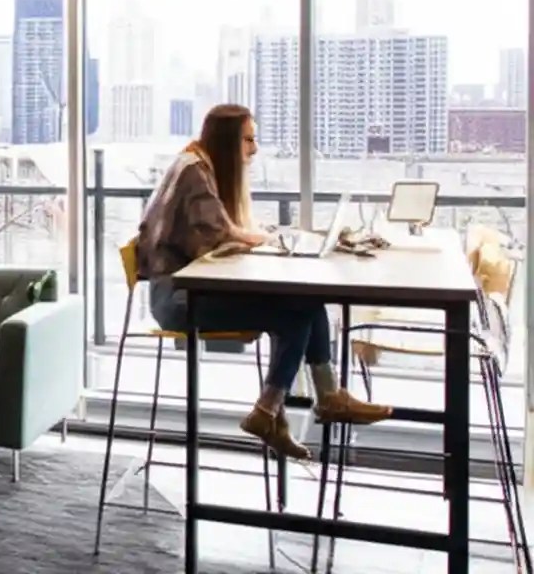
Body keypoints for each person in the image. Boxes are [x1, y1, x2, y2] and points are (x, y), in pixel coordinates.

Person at [137, 103, 391, 460]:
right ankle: (280, 408)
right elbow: (217, 235)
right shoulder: (193, 171)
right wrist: (267, 239)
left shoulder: (199, 165)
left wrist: (265, 236)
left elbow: (220, 236)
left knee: (306, 302)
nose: (254, 149)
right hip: (178, 300)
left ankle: (299, 405)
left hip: (194, 288)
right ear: (228, 141)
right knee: (295, 313)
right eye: (248, 139)